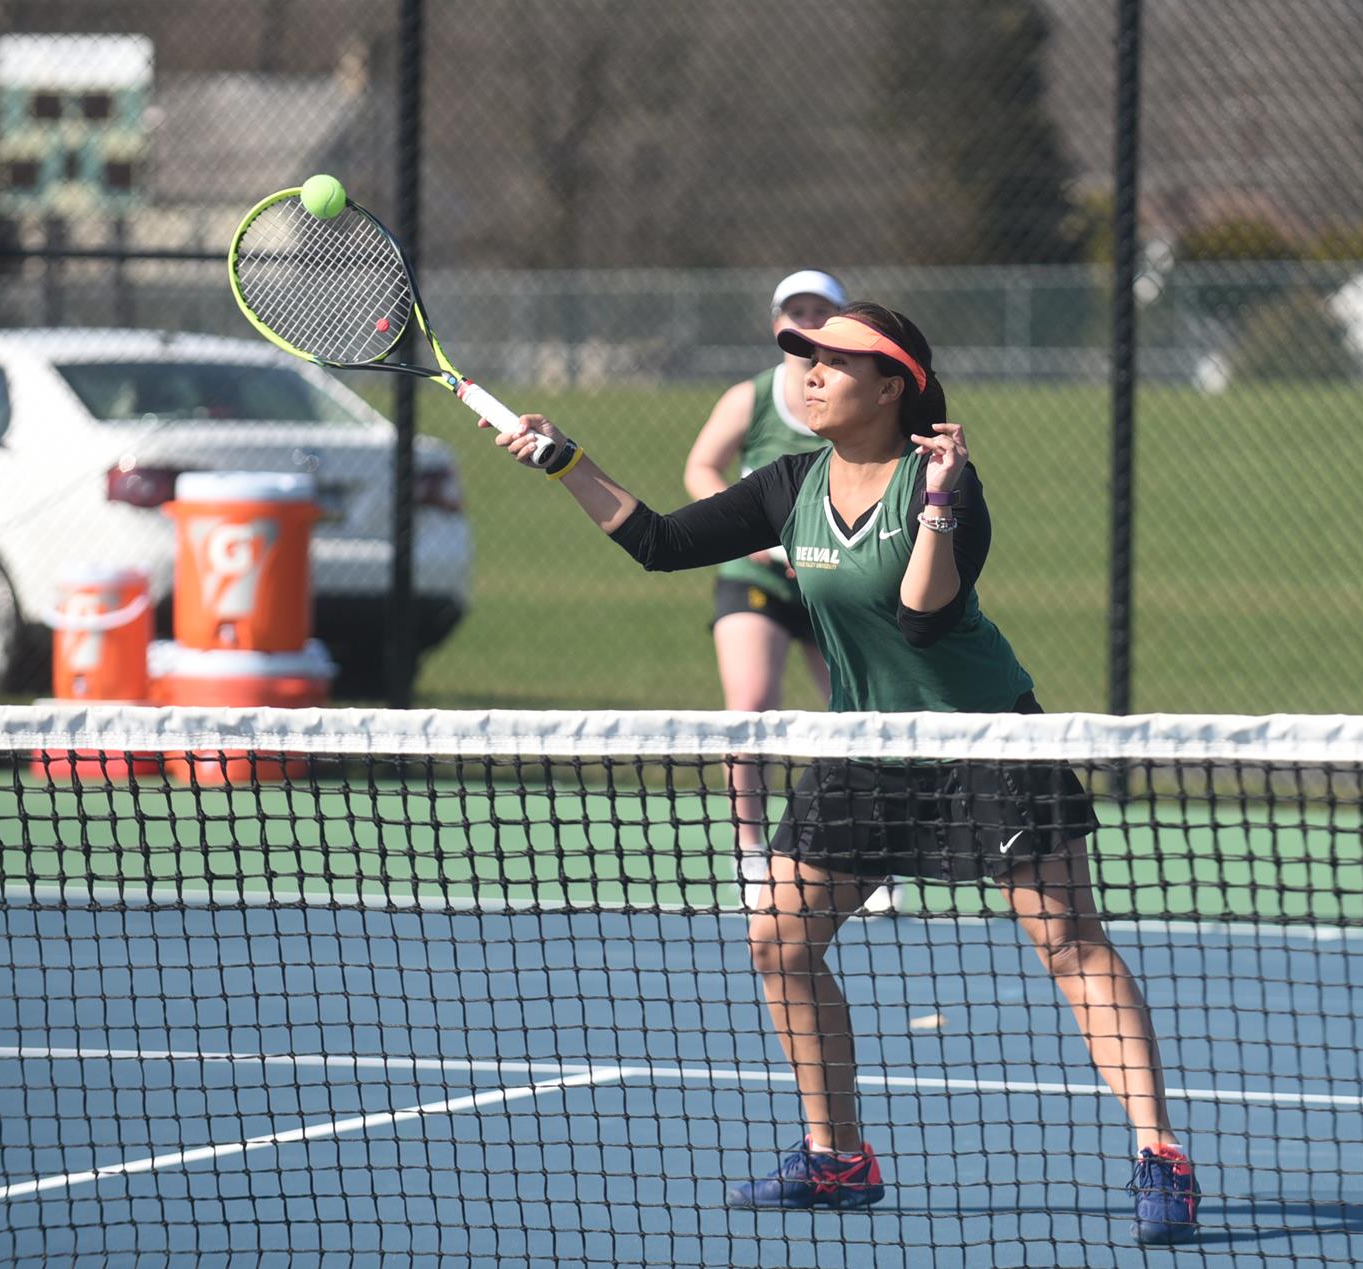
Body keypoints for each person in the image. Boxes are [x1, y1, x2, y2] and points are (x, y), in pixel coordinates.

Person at [492, 302, 1199, 1245]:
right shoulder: (790, 482)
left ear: (893, 385)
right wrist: (566, 461)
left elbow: (923, 619)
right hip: (865, 749)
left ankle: (1161, 1155)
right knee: (778, 941)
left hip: (988, 742)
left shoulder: (943, 482)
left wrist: (939, 503)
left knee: (1068, 942)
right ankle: (838, 1155)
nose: (811, 374)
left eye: (834, 361)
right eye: (806, 359)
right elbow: (661, 542)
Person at [681, 270, 900, 917]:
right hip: (757, 580)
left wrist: (838, 552)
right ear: (777, 323)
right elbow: (701, 465)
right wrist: (743, 531)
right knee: (750, 707)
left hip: (839, 586)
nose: (806, 322)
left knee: (858, 717)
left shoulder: (863, 403)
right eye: (794, 311)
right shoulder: (749, 397)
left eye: (819, 311)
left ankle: (869, 856)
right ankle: (751, 852)